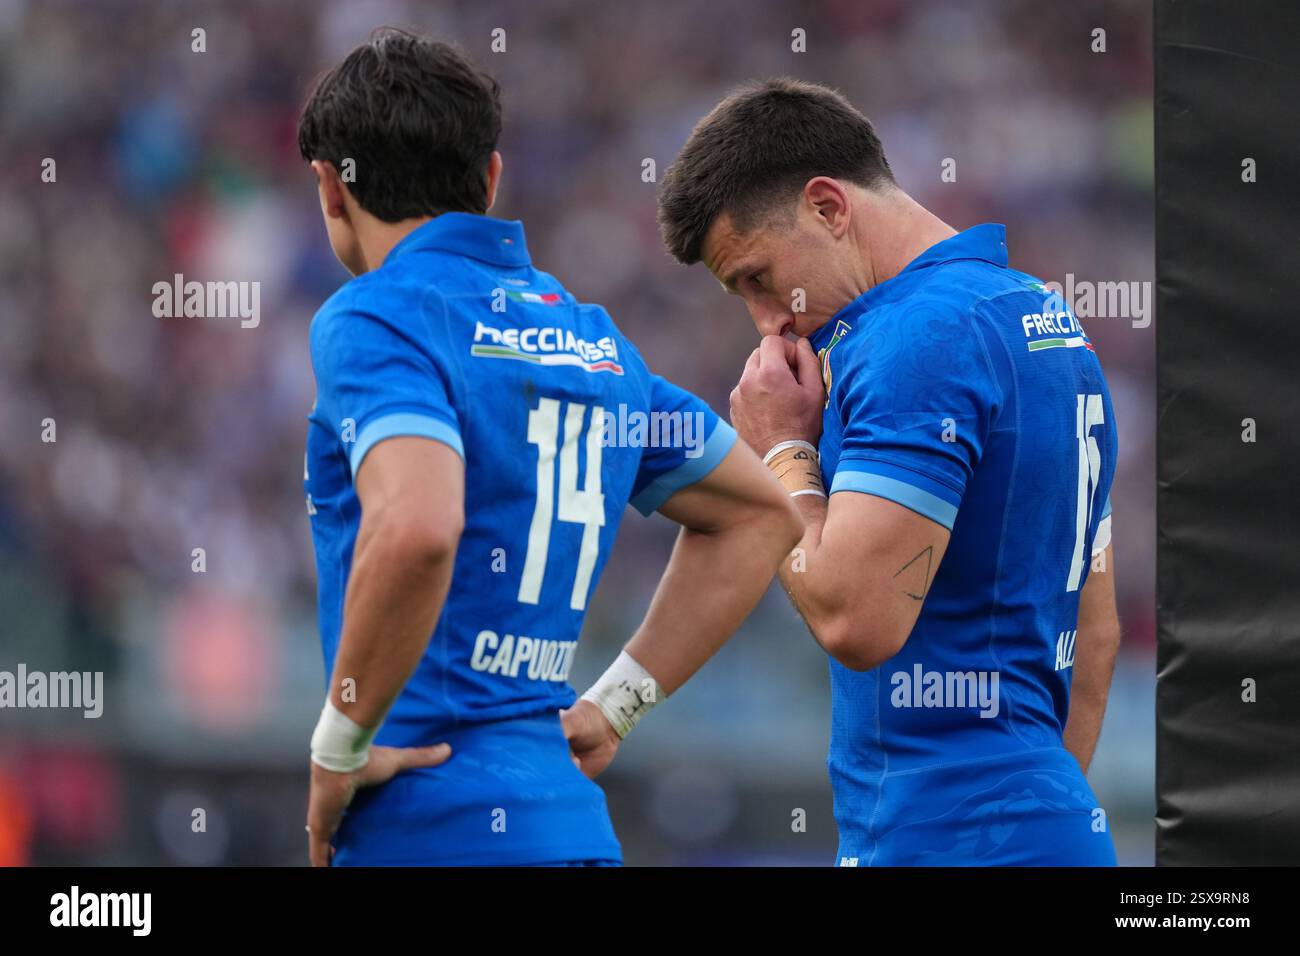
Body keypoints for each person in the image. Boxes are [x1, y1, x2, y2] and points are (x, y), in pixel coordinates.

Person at [297, 30, 802, 866]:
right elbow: (760, 513)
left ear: (329, 187)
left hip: (425, 829)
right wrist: (616, 705)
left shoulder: (376, 315)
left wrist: (338, 746)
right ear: (491, 179)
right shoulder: (593, 343)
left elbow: (420, 528)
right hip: (571, 829)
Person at [658, 77, 1121, 865]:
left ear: (829, 208)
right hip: (1038, 827)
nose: (767, 321)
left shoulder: (918, 337)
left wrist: (782, 453)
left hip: (941, 835)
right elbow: (1098, 634)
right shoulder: (1042, 319)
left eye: (758, 278)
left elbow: (855, 621)